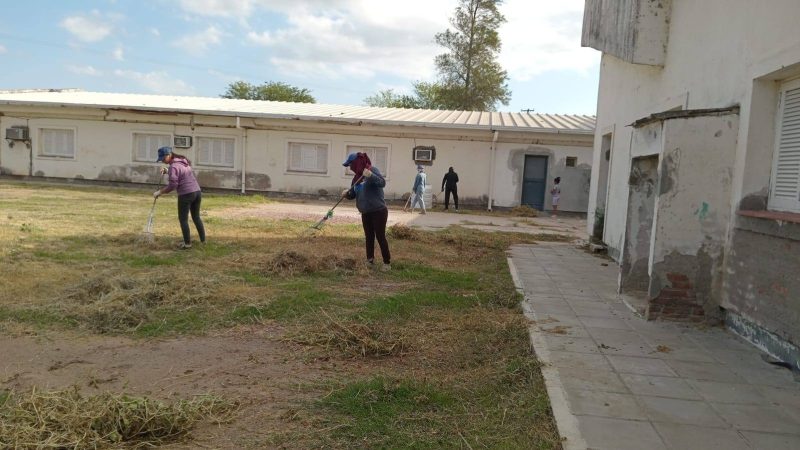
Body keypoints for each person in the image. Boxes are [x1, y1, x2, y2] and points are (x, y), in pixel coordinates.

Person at [342, 152, 391, 271]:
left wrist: (371, 175)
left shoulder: (372, 170)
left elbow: (382, 183)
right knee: (369, 236)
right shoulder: (355, 179)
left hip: (378, 211)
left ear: (357, 162)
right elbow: (353, 194)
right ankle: (370, 260)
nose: (350, 167)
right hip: (365, 212)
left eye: (351, 164)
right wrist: (346, 195)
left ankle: (386, 263)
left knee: (380, 236)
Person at [153, 146, 206, 249]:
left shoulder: (173, 167)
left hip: (186, 194)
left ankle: (187, 244)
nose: (163, 161)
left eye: (163, 158)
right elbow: (180, 172)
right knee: (196, 217)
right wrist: (167, 171)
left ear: (169, 155)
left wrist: (159, 192)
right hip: (197, 192)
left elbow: (173, 185)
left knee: (183, 219)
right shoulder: (183, 161)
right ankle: (203, 241)